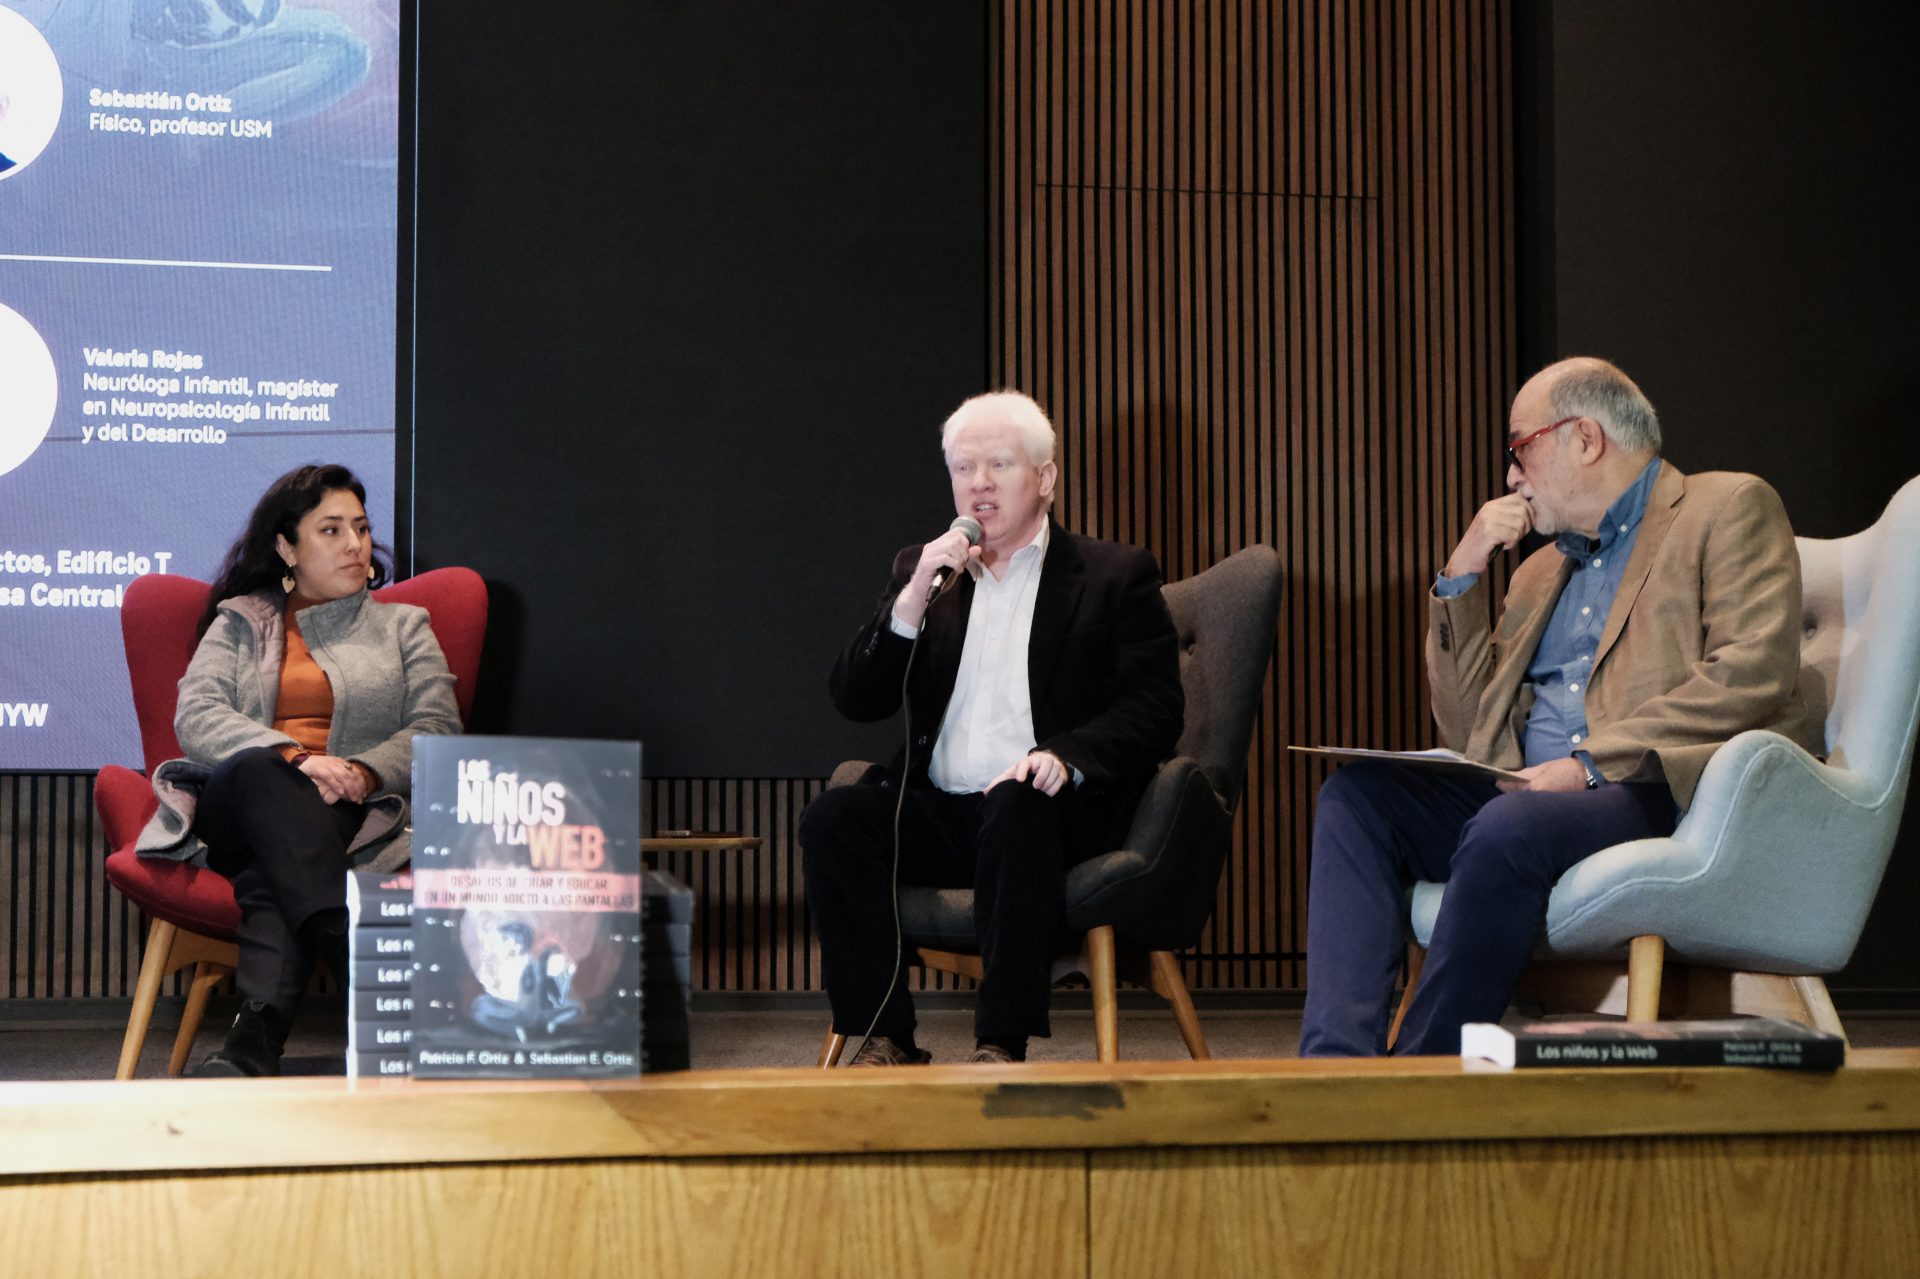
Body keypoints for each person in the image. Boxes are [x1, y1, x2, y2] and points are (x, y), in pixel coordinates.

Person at [1299, 357, 1822, 1057]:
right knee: (1356, 798)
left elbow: (1748, 673)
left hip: (1650, 785)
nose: (1511, 475)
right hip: (1529, 792)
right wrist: (1462, 571)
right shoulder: (1538, 570)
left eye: (1521, 447)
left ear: (1585, 438)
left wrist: (1586, 764)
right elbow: (1469, 725)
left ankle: (1426, 1071)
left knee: (1508, 824)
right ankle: (1333, 1069)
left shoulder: (1726, 508)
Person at [801, 391, 1184, 1065]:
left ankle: (1000, 1042)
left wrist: (1066, 756)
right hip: (943, 810)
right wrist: (911, 599)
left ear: (1045, 477)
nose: (978, 484)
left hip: (1047, 813)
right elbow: (855, 698)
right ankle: (884, 1033)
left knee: (1016, 804)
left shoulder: (1114, 575)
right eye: (963, 468)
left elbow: (1155, 707)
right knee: (833, 819)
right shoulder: (926, 573)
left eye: (998, 465)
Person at [138, 463, 461, 1076]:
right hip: (238, 805)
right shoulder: (241, 622)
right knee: (262, 771)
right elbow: (198, 715)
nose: (355, 544)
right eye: (331, 530)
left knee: (277, 869)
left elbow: (437, 726)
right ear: (287, 548)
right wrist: (298, 758)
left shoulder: (403, 626)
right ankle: (350, 950)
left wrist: (364, 772)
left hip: (350, 812)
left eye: (361, 528)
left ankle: (253, 1039)